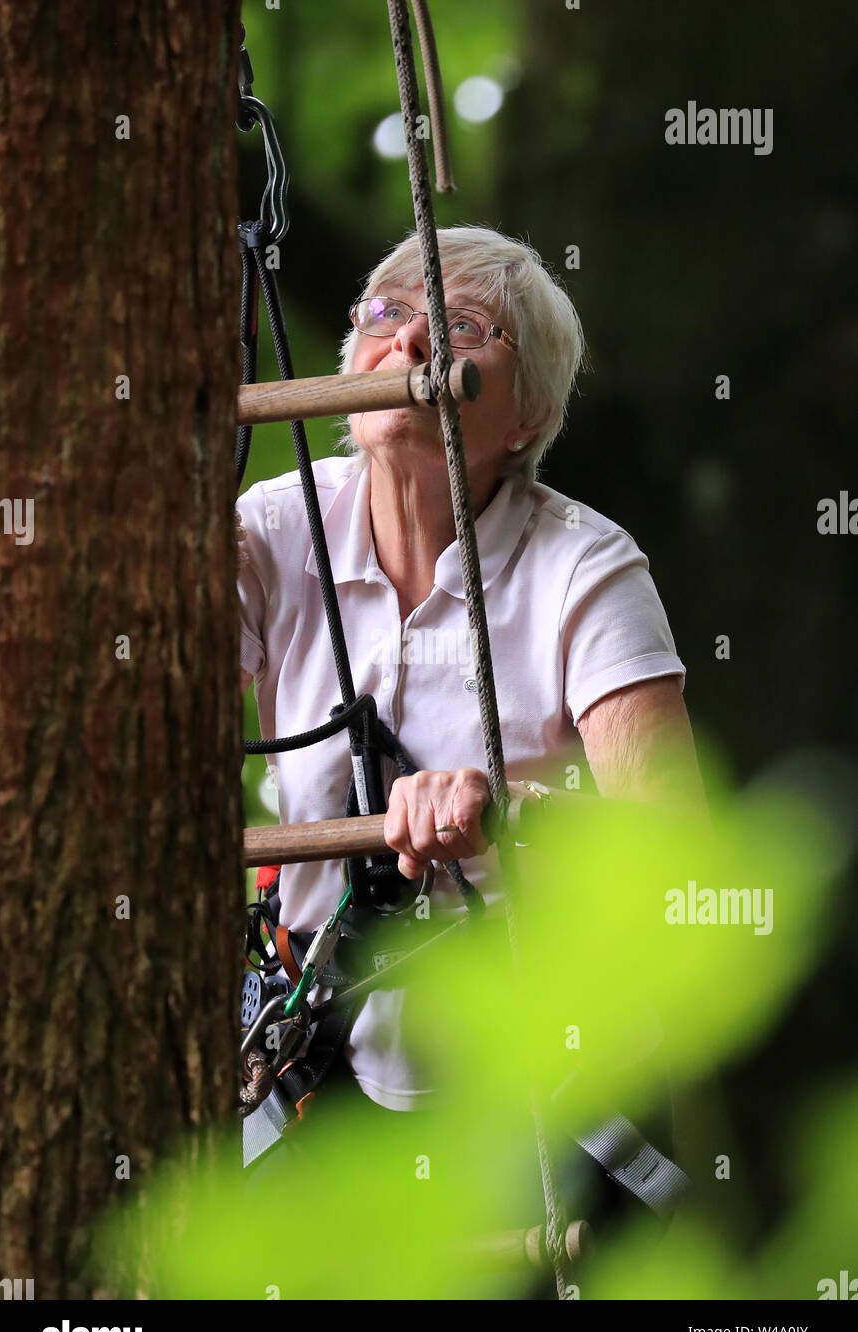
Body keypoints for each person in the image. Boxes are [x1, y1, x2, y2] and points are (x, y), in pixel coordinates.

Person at [235, 224, 707, 1139]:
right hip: (308, 1067)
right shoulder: (277, 522)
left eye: (462, 329)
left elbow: (671, 854)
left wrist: (506, 807)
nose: (409, 343)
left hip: (541, 1087)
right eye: (388, 313)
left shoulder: (585, 566)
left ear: (525, 415)